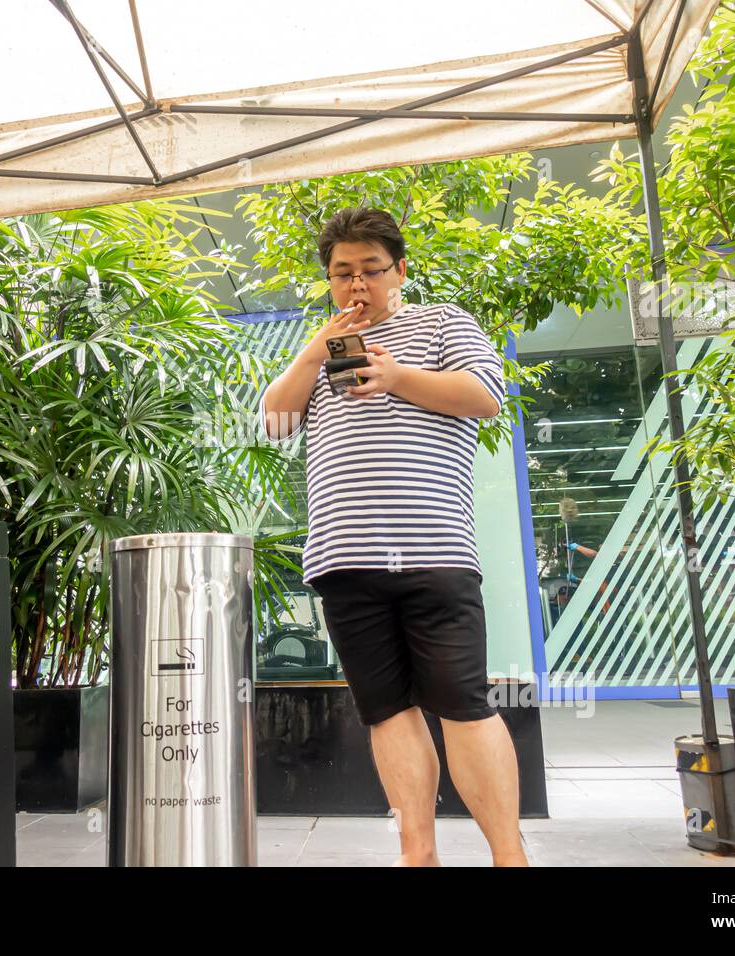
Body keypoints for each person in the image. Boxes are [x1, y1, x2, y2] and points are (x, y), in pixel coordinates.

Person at [260, 207, 527, 867]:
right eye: (342, 273)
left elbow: (485, 395)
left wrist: (396, 377)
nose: (357, 285)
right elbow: (273, 423)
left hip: (433, 548)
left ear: (399, 270)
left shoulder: (442, 322)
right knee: (385, 709)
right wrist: (314, 349)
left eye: (371, 271)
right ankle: (418, 853)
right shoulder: (322, 349)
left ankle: (509, 855)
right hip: (343, 556)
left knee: (462, 702)